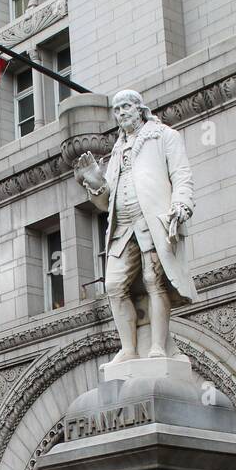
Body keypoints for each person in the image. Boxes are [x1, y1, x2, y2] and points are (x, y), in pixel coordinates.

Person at [74, 89, 195, 362]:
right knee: (114, 286)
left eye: (126, 107)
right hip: (123, 228)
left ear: (140, 109)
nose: (121, 114)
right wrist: (95, 182)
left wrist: (181, 205)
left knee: (154, 281)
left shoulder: (164, 136)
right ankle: (129, 349)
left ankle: (158, 347)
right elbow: (107, 202)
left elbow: (182, 176)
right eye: (116, 110)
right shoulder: (116, 150)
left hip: (152, 224)